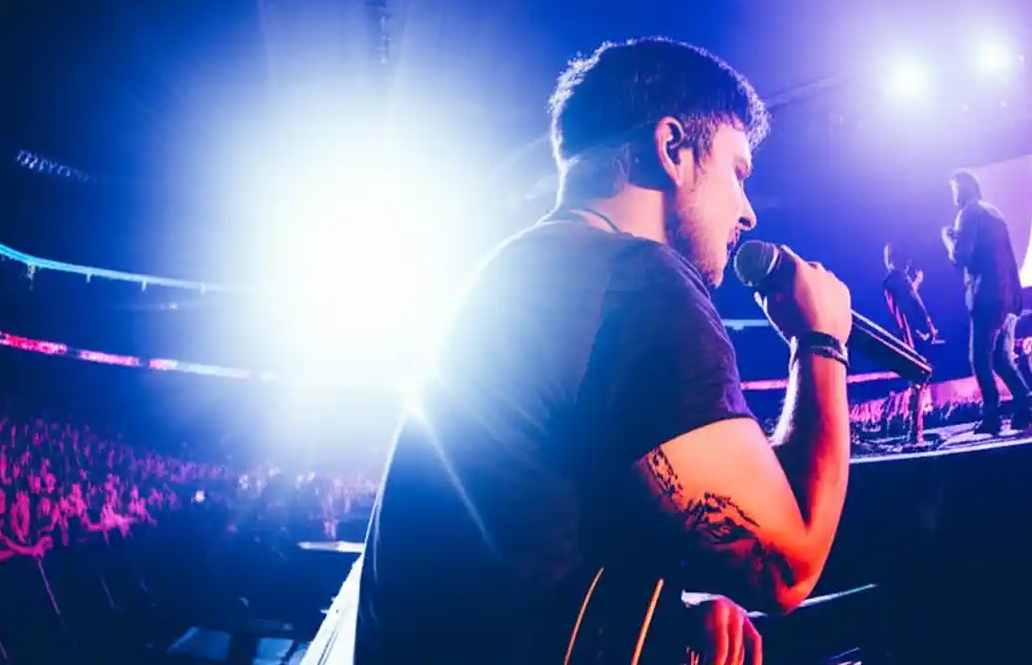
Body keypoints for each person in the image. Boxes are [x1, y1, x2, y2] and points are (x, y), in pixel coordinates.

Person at [355, 38, 853, 664]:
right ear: (674, 149)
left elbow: (520, 545)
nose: (748, 212)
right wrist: (821, 341)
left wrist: (660, 611)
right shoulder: (635, 279)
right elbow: (786, 568)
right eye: (738, 171)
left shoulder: (517, 272)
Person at [942, 172, 1032, 435]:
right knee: (1002, 358)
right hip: (1008, 296)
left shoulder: (968, 214)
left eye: (954, 190)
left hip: (986, 297)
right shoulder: (994, 213)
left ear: (964, 189)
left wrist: (949, 239)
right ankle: (1025, 404)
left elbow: (961, 256)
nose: (954, 196)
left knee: (979, 359)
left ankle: (992, 415)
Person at [881, 243, 937, 442]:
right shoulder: (900, 279)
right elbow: (914, 304)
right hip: (908, 339)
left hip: (900, 338)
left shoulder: (890, 280)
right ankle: (915, 433)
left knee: (915, 382)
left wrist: (916, 283)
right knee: (917, 380)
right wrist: (928, 327)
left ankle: (914, 431)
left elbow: (905, 298)